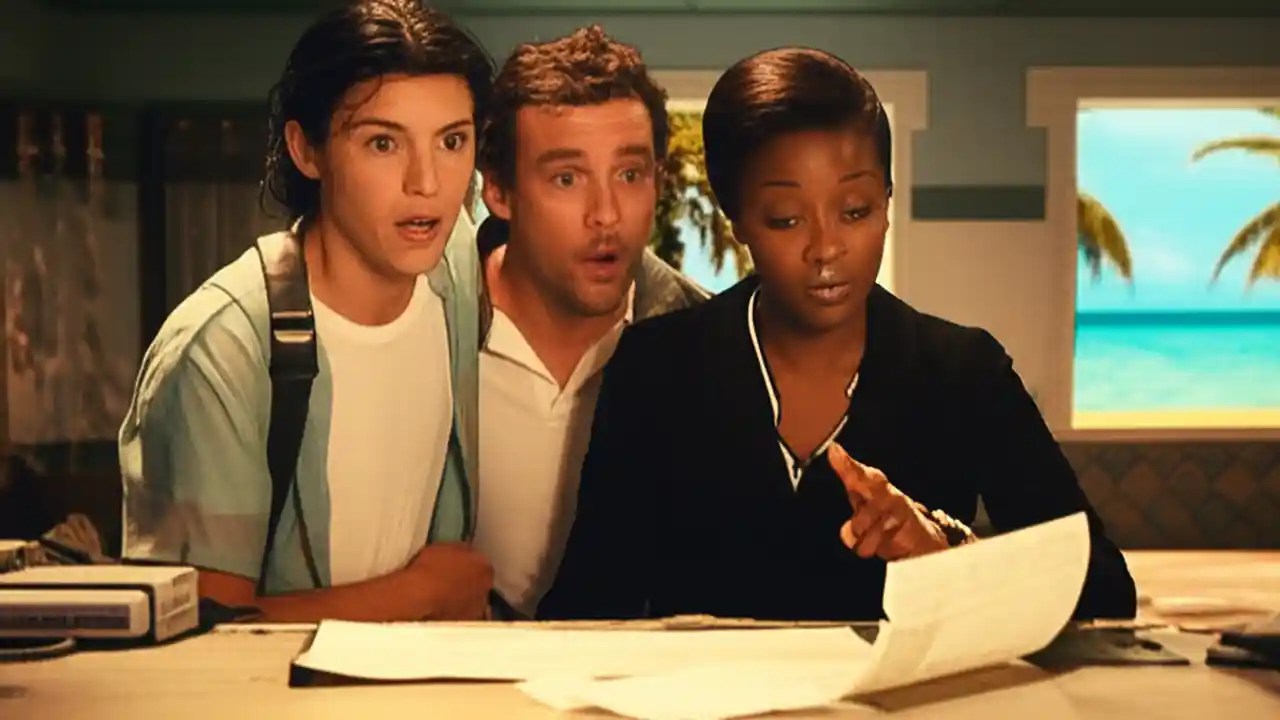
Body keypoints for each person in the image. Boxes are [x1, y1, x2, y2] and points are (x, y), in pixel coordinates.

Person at [539, 47, 1137, 622]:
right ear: (737, 218)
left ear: (886, 199)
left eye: (855, 210)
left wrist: (947, 554)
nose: (826, 249)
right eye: (786, 219)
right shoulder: (656, 369)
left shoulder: (964, 372)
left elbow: (1106, 592)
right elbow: (585, 608)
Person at [118, 0, 494, 622]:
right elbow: (196, 635)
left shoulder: (449, 263)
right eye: (382, 143)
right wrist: (419, 596)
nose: (427, 182)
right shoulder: (222, 350)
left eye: (452, 141)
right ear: (307, 149)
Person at [471, 25, 707, 619]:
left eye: (629, 175)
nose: (606, 216)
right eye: (566, 179)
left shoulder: (706, 347)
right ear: (498, 190)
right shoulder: (426, 327)